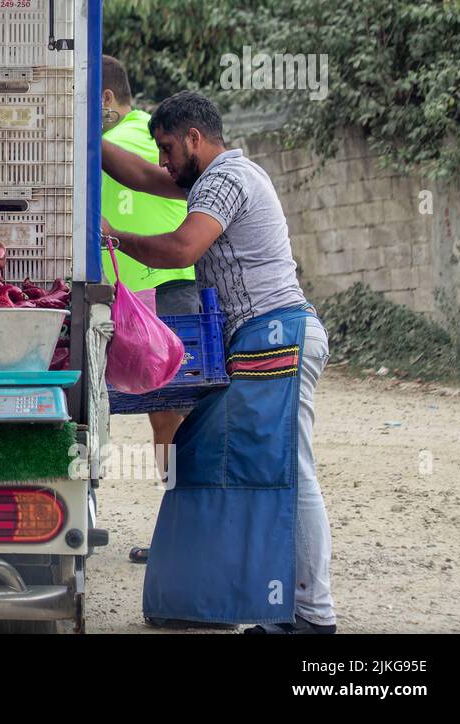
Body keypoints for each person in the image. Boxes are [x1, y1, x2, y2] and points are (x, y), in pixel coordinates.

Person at [100, 91, 336, 634]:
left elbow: (183, 249)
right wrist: (81, 132)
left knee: (291, 472)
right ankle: (231, 600)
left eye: (167, 148)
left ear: (194, 139)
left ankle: (313, 614)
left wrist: (116, 238)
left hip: (277, 334)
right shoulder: (208, 180)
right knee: (226, 457)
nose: (162, 162)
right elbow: (138, 175)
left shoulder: (228, 178)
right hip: (265, 337)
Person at [98, 56, 197, 566]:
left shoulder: (136, 133)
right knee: (143, 415)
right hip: (131, 301)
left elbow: (137, 173)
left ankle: (182, 533)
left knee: (169, 419)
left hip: (159, 295)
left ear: (107, 102)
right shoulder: (132, 133)